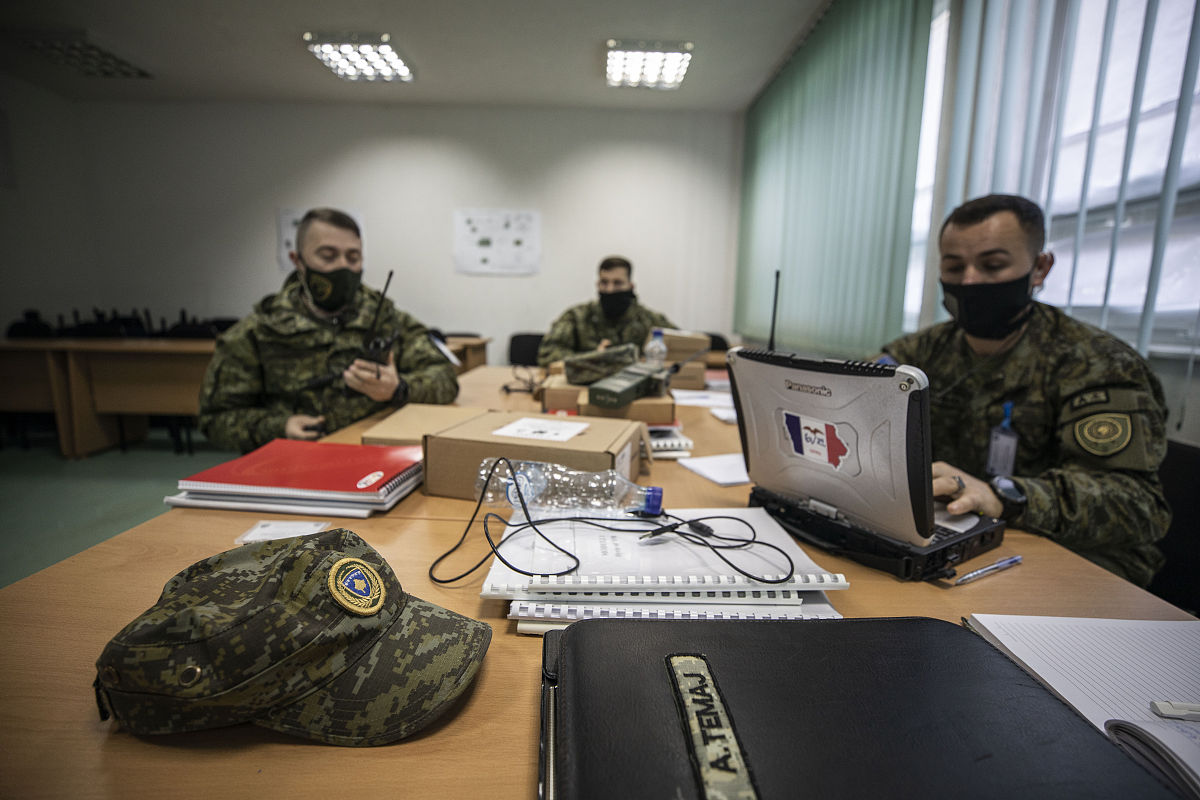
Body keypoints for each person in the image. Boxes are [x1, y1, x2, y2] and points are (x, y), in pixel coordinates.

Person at [880, 194, 1170, 587]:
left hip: (1073, 557)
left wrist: (1008, 496)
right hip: (951, 538)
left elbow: (1137, 504)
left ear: (1039, 268)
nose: (969, 281)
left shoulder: (1097, 364)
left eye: (992, 265)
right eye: (954, 266)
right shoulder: (921, 352)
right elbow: (854, 399)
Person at [199, 208, 458, 452]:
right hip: (291, 466)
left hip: (373, 458)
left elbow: (446, 378)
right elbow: (215, 419)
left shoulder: (385, 318)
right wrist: (279, 427)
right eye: (328, 256)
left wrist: (398, 388)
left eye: (353, 257)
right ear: (298, 261)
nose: (343, 267)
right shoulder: (259, 330)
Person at [536, 256, 676, 366]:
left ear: (631, 286)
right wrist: (592, 358)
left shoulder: (649, 320)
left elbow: (685, 348)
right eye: (604, 282)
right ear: (597, 285)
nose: (610, 290)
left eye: (617, 283)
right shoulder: (577, 316)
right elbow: (547, 353)